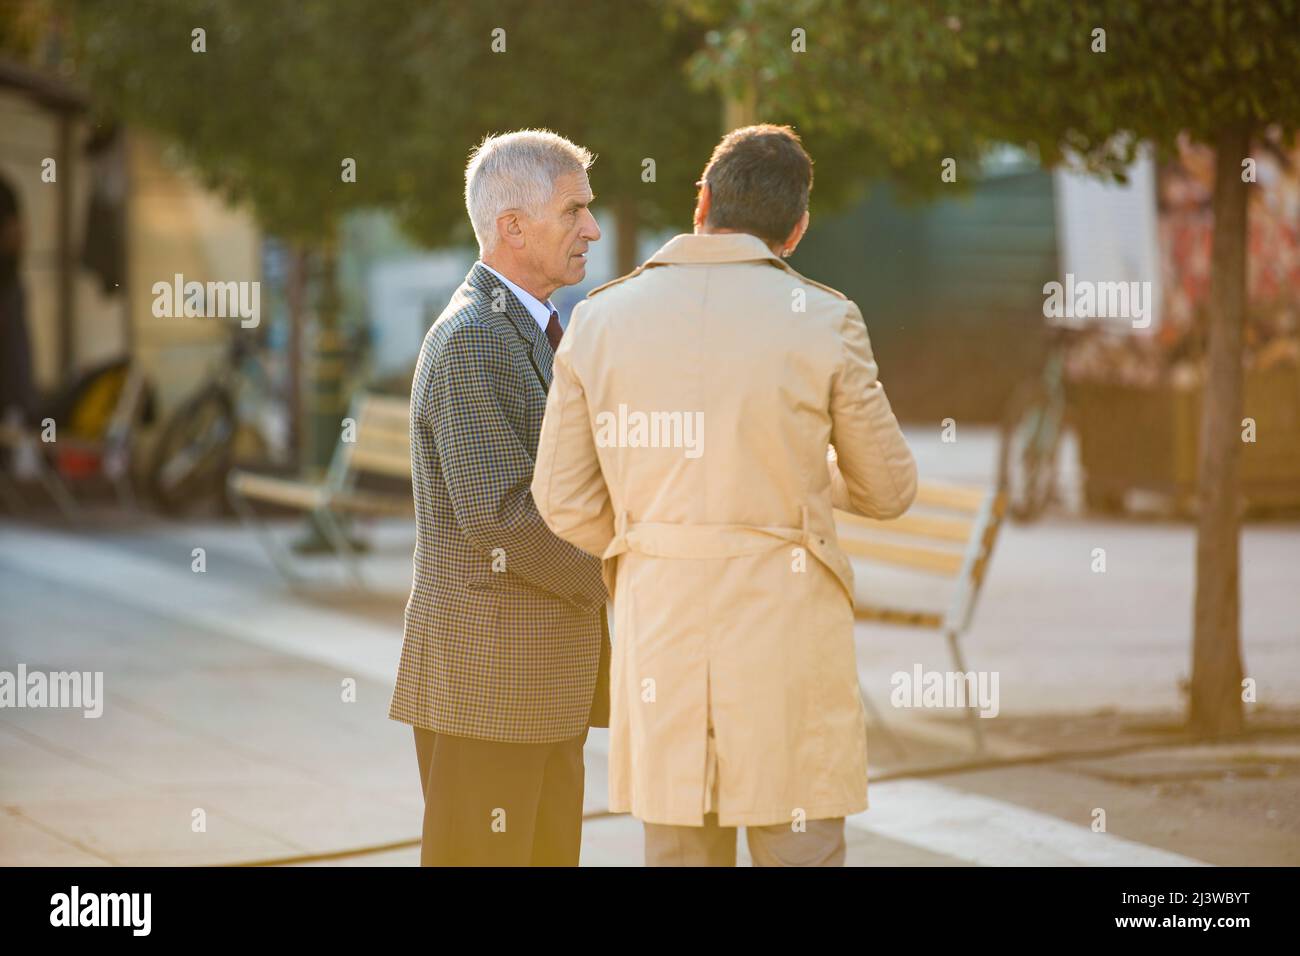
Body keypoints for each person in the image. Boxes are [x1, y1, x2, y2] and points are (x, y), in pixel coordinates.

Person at [532, 124, 917, 866]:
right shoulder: (827, 319)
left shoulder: (601, 318)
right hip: (788, 630)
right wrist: (797, 480)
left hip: (662, 623)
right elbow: (889, 487)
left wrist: (651, 537)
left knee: (678, 846)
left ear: (702, 200)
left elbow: (560, 496)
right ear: (796, 230)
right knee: (798, 839)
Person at [388, 129, 609, 866]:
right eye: (574, 210)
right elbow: (502, 516)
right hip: (492, 692)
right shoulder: (478, 336)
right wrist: (618, 567)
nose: (592, 228)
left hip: (534, 688)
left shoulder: (526, 326)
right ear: (512, 228)